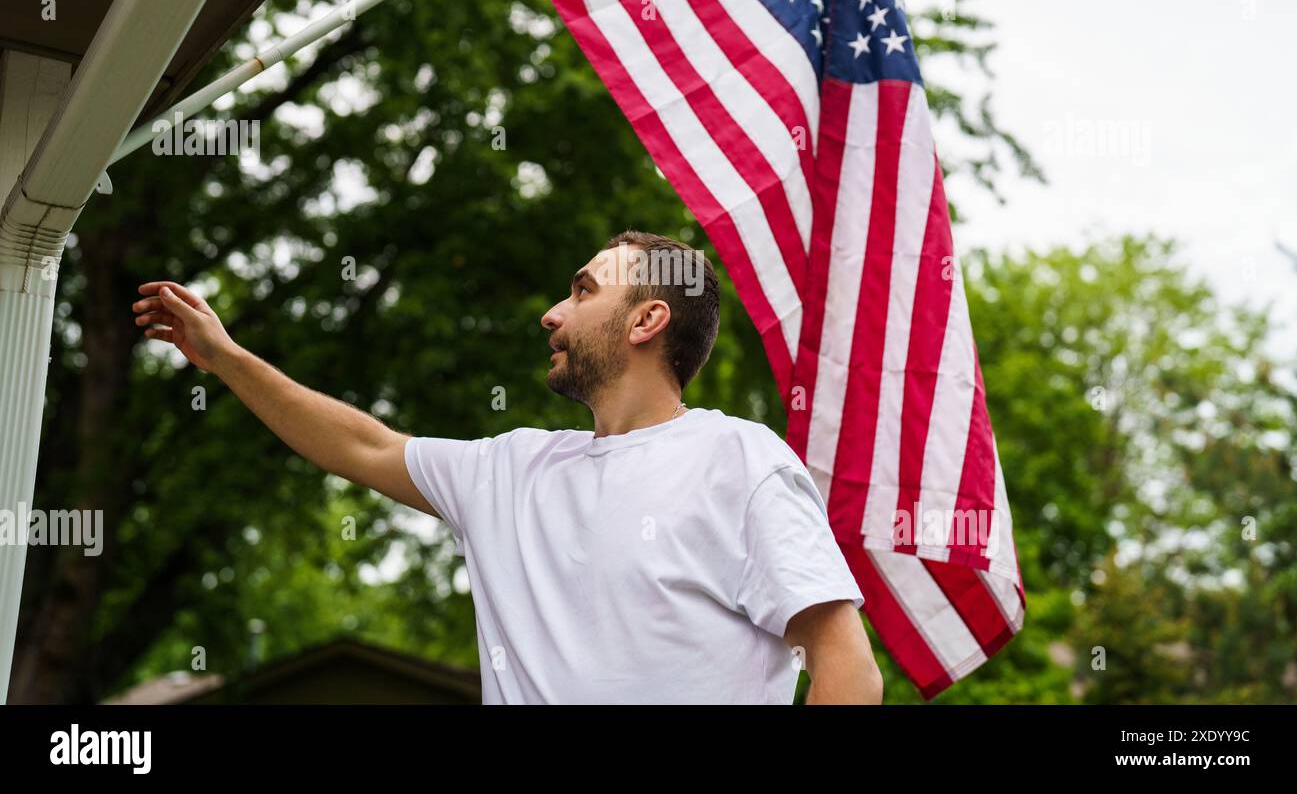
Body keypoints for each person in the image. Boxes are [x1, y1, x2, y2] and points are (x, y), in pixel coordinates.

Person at [133, 230, 883, 704]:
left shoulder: (739, 458)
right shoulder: (512, 469)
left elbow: (847, 669)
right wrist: (227, 360)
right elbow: (362, 446)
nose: (553, 313)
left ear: (648, 321)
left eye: (585, 290)